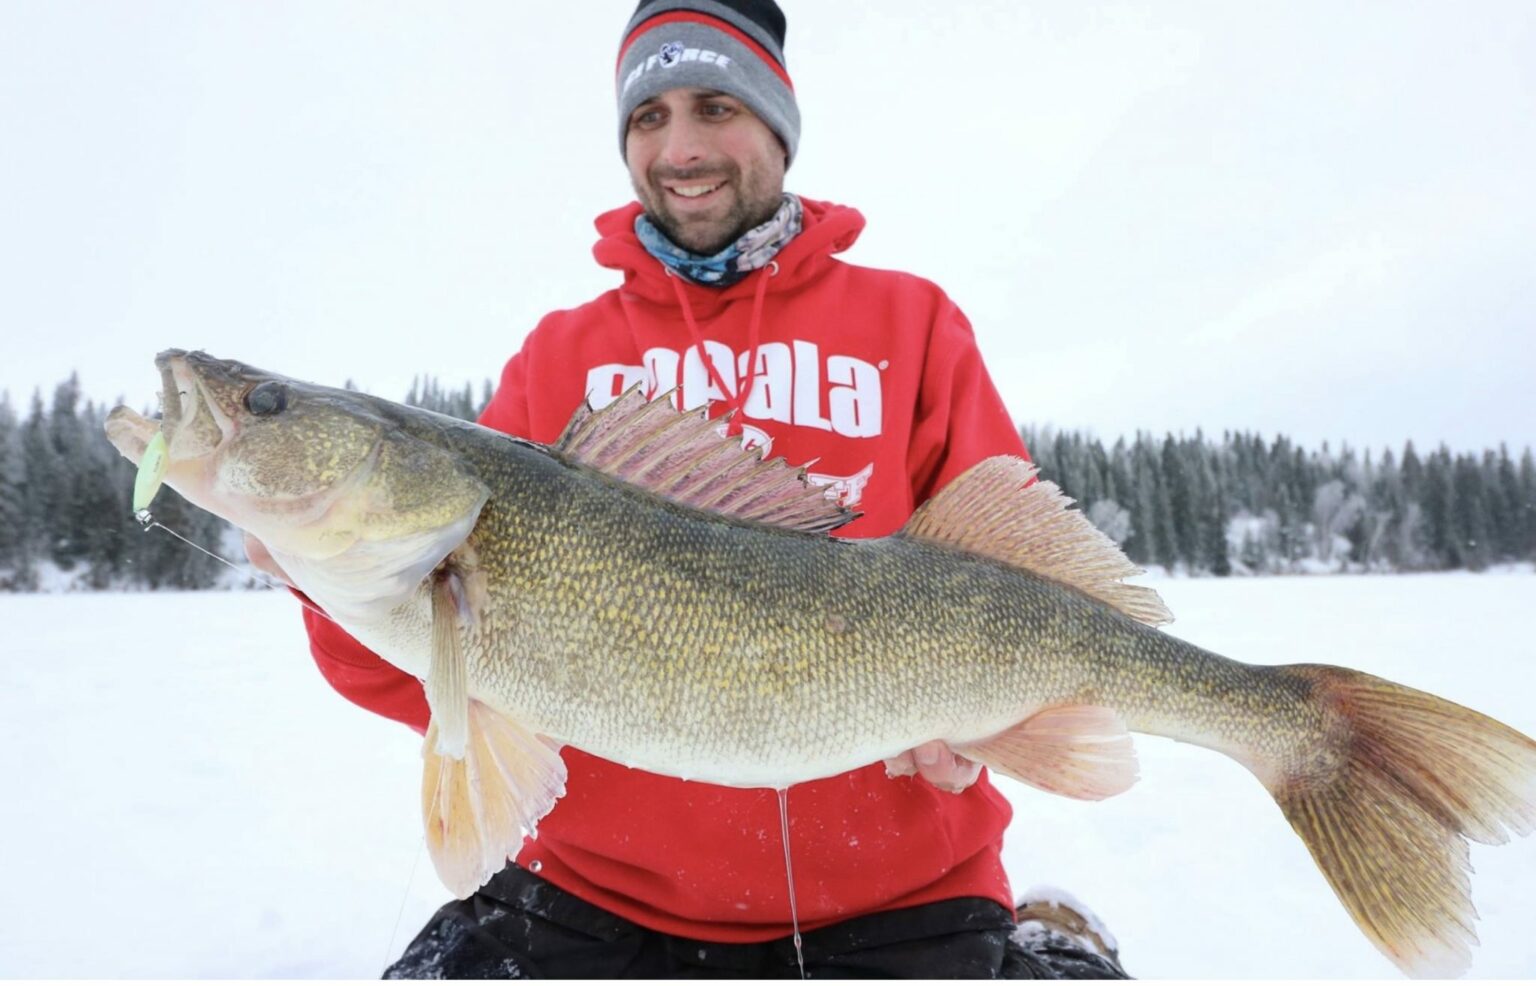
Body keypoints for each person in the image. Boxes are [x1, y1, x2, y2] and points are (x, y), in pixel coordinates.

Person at [254, 0, 1129, 977]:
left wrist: (996, 721)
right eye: (647, 116)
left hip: (897, 895)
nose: (680, 146)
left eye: (716, 106)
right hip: (590, 888)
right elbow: (441, 657)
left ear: (778, 126)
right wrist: (320, 564)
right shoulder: (560, 354)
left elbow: (1013, 570)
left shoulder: (911, 322)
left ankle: (1052, 941)